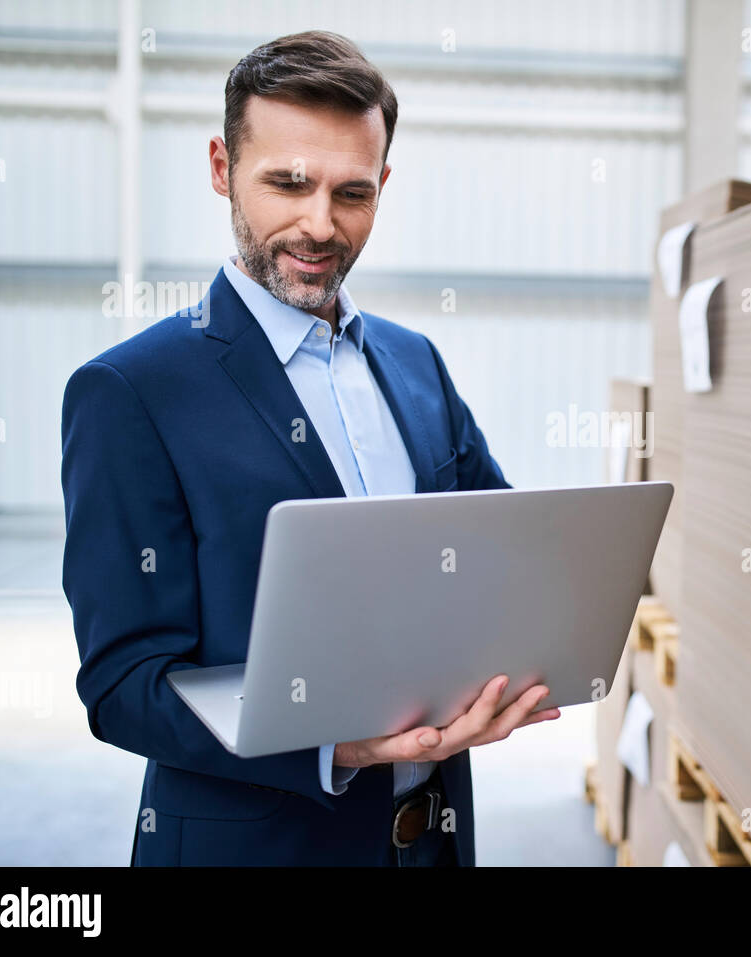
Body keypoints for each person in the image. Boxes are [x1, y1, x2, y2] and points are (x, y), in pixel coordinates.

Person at [59, 30, 557, 867]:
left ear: (383, 185)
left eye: (351, 192)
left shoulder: (415, 364)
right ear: (222, 169)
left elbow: (502, 557)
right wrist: (341, 746)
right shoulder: (132, 393)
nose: (319, 225)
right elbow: (122, 687)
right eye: (287, 183)